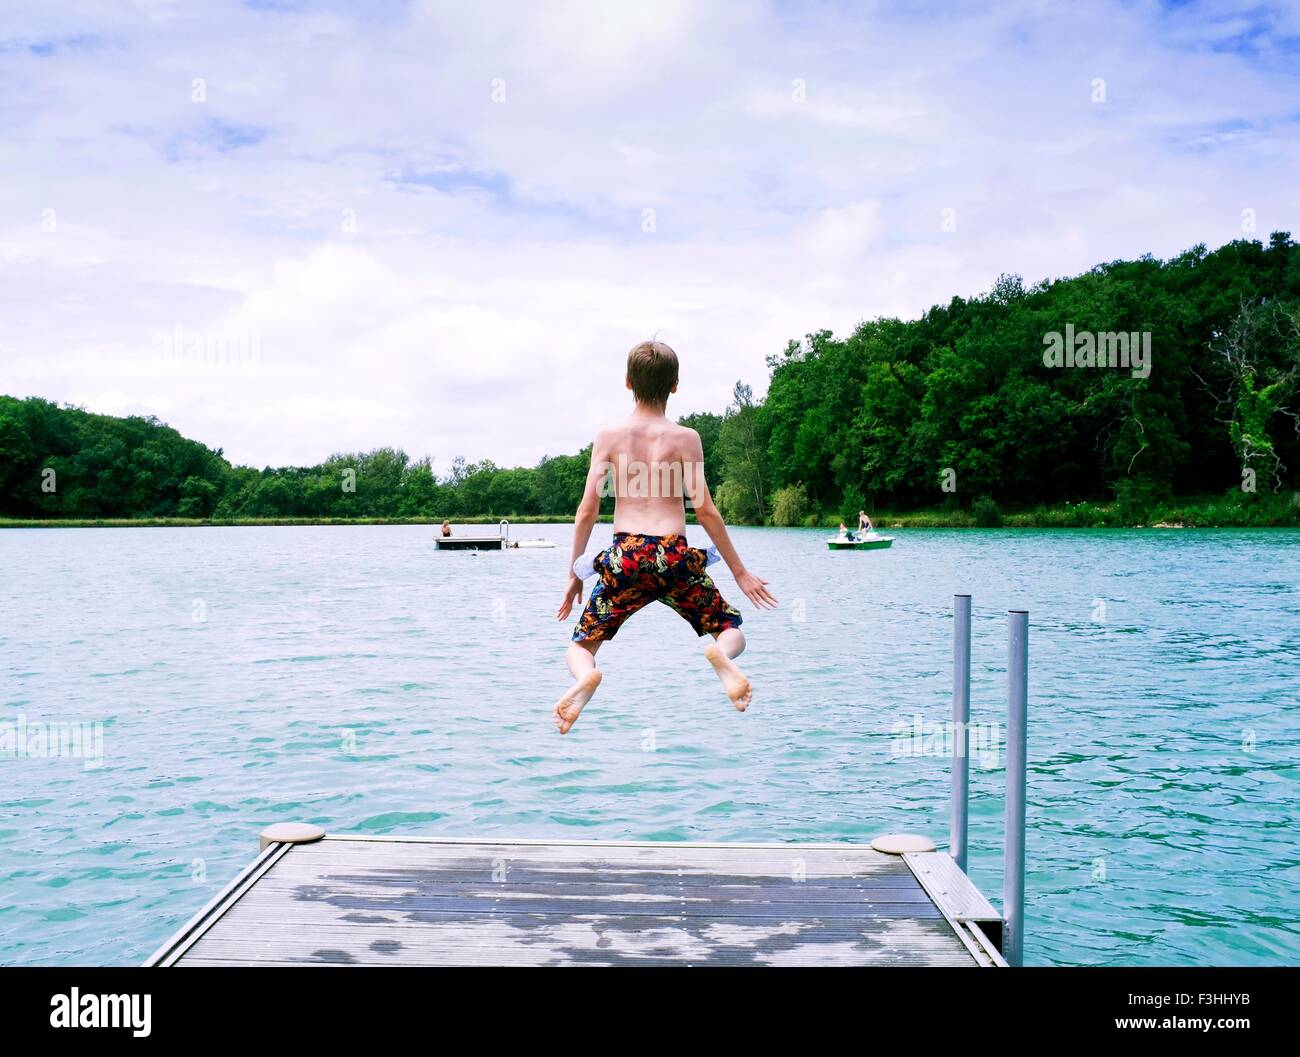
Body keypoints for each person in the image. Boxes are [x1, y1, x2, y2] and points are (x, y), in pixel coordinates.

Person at [553, 340, 778, 734]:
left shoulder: (608, 436)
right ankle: (723, 660)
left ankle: (584, 681)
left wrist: (574, 575)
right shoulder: (686, 438)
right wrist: (740, 572)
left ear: (627, 382)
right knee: (731, 632)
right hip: (674, 555)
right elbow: (705, 509)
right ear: (675, 385)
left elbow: (588, 510)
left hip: (625, 556)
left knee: (580, 647)